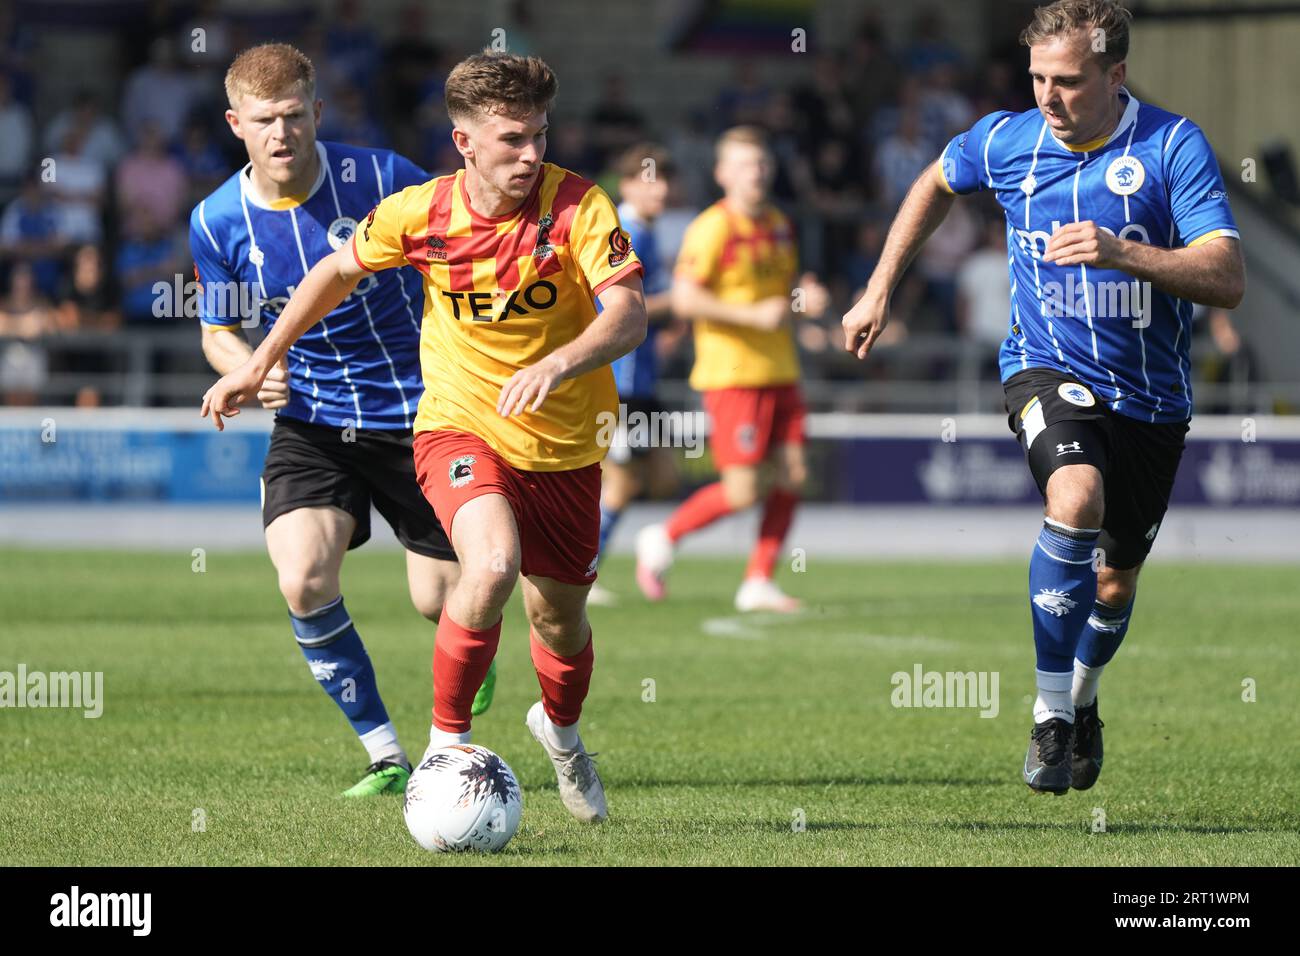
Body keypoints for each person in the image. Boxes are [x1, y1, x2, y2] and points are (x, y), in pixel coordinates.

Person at [201, 50, 648, 824]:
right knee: (487, 565)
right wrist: (257, 362)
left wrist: (562, 360)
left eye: (539, 134)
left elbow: (629, 312)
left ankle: (564, 735)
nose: (533, 153)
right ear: (466, 142)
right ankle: (438, 755)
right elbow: (332, 274)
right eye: (514, 138)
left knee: (556, 620)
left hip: (563, 444)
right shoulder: (422, 211)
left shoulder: (578, 206)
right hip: (446, 420)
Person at [842, 0, 1245, 794]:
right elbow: (936, 179)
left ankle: (1086, 700)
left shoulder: (1171, 145)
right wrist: (880, 286)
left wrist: (1125, 252)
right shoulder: (1005, 137)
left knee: (1116, 582)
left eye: (1067, 81)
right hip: (1044, 366)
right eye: (1036, 78)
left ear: (1115, 74)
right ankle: (1051, 713)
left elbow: (1226, 278)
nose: (1047, 98)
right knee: (1076, 493)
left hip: (1152, 399)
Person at [190, 43, 492, 799]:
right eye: (264, 121)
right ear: (236, 124)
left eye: (295, 115)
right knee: (302, 578)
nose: (281, 133)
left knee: (441, 599)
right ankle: (387, 755)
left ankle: (470, 643)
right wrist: (245, 364)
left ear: (317, 112)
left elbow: (460, 263)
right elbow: (216, 328)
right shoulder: (216, 220)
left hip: (422, 413)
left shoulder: (384, 178)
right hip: (312, 421)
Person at [636, 126, 828, 613]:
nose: (756, 173)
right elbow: (684, 297)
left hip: (781, 369)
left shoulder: (780, 224)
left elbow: (781, 296)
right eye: (743, 164)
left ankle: (758, 581)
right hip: (732, 374)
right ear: (722, 173)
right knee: (743, 491)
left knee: (793, 474)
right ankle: (664, 533)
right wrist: (751, 315)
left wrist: (806, 305)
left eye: (762, 163)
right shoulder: (713, 226)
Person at [588, 143, 681, 606]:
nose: (660, 189)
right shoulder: (624, 231)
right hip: (619, 381)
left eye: (665, 180)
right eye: (649, 179)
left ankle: (641, 544)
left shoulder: (646, 230)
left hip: (641, 381)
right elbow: (620, 305)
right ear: (626, 185)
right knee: (620, 480)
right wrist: (686, 299)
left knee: (660, 475)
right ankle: (580, 574)